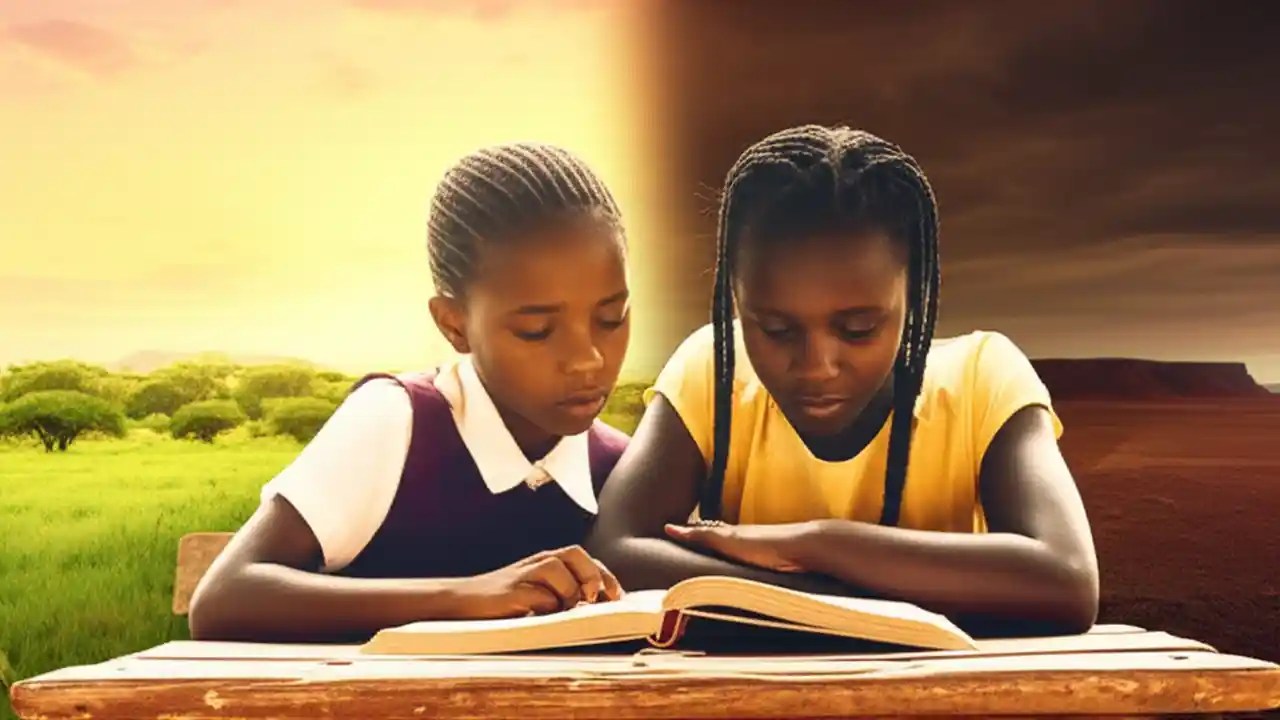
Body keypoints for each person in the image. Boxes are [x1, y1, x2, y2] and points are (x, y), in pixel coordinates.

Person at [586, 125, 1099, 636]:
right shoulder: (714, 369)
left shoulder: (983, 378)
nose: (816, 366)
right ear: (734, 299)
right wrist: (873, 599)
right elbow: (615, 552)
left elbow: (1068, 581)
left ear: (914, 291)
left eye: (858, 329)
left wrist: (813, 544)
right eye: (776, 330)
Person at [189, 142, 632, 642]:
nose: (588, 359)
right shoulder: (399, 422)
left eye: (611, 319)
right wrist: (465, 597)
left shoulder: (624, 467)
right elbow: (223, 598)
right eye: (536, 330)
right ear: (454, 324)